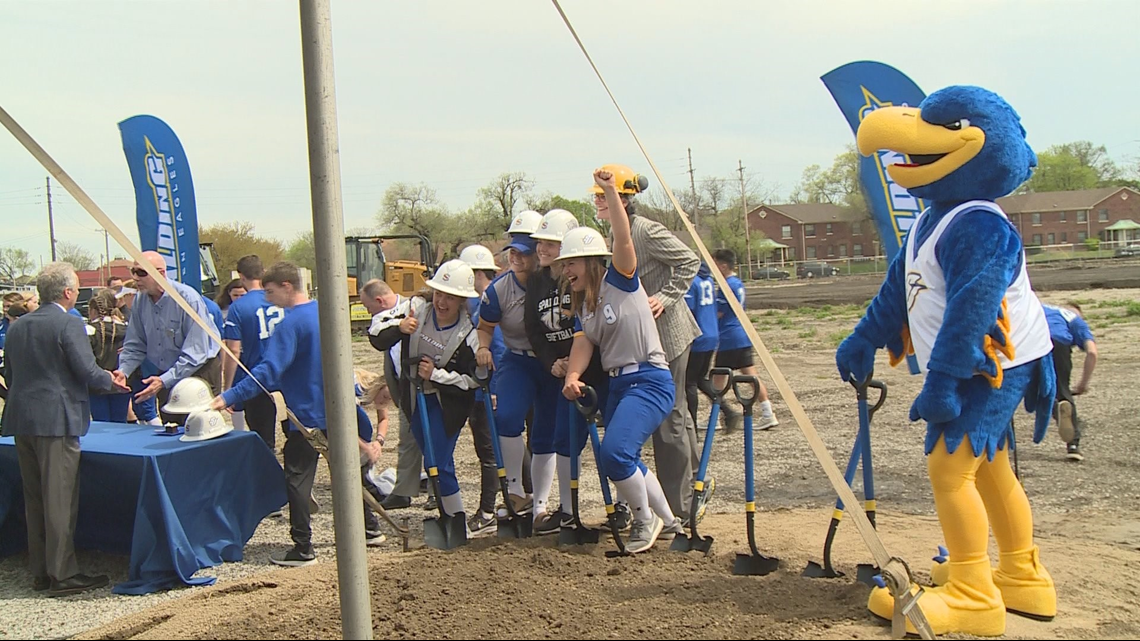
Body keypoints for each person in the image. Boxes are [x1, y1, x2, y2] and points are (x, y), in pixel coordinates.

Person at [212, 261, 382, 566]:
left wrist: (229, 396)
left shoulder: (290, 324)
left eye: (270, 291)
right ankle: (370, 528)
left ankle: (303, 548)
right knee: (348, 471)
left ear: (287, 286)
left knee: (297, 480)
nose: (267, 298)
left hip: (307, 416)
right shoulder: (326, 312)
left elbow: (268, 371)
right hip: (340, 409)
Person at [560, 168, 682, 554]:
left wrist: (611, 192)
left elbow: (624, 239)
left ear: (591, 261)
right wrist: (573, 375)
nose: (565, 271)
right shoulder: (585, 305)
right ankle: (670, 523)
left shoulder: (620, 279)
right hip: (619, 385)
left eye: (571, 263)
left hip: (649, 379)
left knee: (614, 454)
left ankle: (645, 521)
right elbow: (584, 343)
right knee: (627, 458)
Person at [1, 262, 129, 595]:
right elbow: (86, 370)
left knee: (35, 499)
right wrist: (112, 381)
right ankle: (62, 573)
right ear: (69, 292)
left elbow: (11, 374)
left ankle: (41, 570)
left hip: (22, 419)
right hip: (56, 421)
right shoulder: (69, 323)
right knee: (58, 499)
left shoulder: (17, 326)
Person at [591, 163, 702, 525]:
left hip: (668, 335)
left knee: (670, 421)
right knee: (675, 416)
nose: (597, 202)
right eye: (596, 197)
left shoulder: (646, 230)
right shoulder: (613, 233)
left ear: (623, 198)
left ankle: (680, 507)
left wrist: (665, 297)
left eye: (603, 197)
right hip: (643, 339)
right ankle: (689, 486)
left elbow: (689, 260)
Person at [369, 260, 482, 527]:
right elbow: (375, 333)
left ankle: (456, 520)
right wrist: (400, 327)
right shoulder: (416, 308)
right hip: (414, 398)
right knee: (433, 461)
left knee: (439, 461)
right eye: (439, 294)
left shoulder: (468, 333)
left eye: (450, 297)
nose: (442, 302)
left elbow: (474, 380)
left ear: (462, 301)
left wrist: (437, 375)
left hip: (449, 404)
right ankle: (449, 517)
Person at [524, 210, 611, 535]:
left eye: (550, 243)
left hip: (596, 369)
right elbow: (534, 329)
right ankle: (568, 511)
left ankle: (623, 508)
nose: (542, 249)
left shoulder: (581, 281)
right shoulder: (536, 281)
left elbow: (587, 330)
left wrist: (575, 364)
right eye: (540, 243)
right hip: (564, 372)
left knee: (615, 439)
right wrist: (552, 362)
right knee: (564, 438)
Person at [475, 210, 558, 524]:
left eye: (524, 252)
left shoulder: (555, 283)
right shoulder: (498, 290)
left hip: (552, 364)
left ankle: (540, 505)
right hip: (518, 359)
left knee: (545, 434)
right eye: (512, 251)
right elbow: (485, 325)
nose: (516, 257)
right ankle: (514, 491)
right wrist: (483, 347)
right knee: (507, 417)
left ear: (539, 253)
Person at [118, 251, 221, 424]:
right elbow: (135, 344)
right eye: (133, 271)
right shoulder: (139, 301)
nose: (135, 278)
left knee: (198, 426)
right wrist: (123, 372)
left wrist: (164, 380)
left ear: (160, 273)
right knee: (170, 426)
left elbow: (196, 352)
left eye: (141, 272)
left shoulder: (187, 299)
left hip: (199, 370)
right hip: (167, 372)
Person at [363, 279, 428, 511]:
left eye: (368, 306)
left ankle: (437, 490)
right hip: (406, 387)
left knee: (434, 439)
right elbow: (378, 338)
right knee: (408, 440)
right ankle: (402, 492)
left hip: (432, 381)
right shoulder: (381, 320)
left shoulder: (418, 304)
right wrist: (400, 326)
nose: (368, 312)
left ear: (379, 300)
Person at [458, 244, 508, 536]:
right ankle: (524, 497)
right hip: (482, 387)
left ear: (476, 273)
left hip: (488, 389)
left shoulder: (486, 304)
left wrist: (495, 388)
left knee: (489, 451)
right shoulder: (479, 303)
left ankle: (487, 511)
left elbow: (497, 349)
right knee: (505, 447)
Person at [222, 255, 287, 449]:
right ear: (263, 272)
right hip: (286, 374)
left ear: (241, 276)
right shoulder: (279, 299)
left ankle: (267, 465)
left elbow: (233, 350)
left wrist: (228, 387)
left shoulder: (238, 307)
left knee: (263, 438)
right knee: (296, 432)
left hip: (257, 378)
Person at [710, 249, 778, 430]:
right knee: (751, 376)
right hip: (742, 334)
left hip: (729, 337)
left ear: (723, 266)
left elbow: (719, 312)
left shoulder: (726, 286)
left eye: (715, 264)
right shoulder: (737, 283)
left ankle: (715, 418)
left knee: (717, 379)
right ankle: (768, 413)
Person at [1043, 302, 1097, 461]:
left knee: (1030, 389)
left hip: (1029, 341)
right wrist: (1082, 385)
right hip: (1058, 343)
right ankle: (1073, 445)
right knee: (1062, 391)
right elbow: (1092, 353)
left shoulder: (1041, 307)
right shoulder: (1075, 319)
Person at [86, 288, 131, 423]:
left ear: (93, 310)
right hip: (121, 382)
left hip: (96, 384)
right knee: (120, 422)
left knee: (101, 423)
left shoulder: (89, 330)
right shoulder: (127, 329)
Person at [684, 262, 719, 432]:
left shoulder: (692, 282)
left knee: (689, 382)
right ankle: (726, 408)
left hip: (698, 336)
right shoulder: (709, 280)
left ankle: (693, 427)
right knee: (700, 379)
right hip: (712, 333)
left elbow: (688, 310)